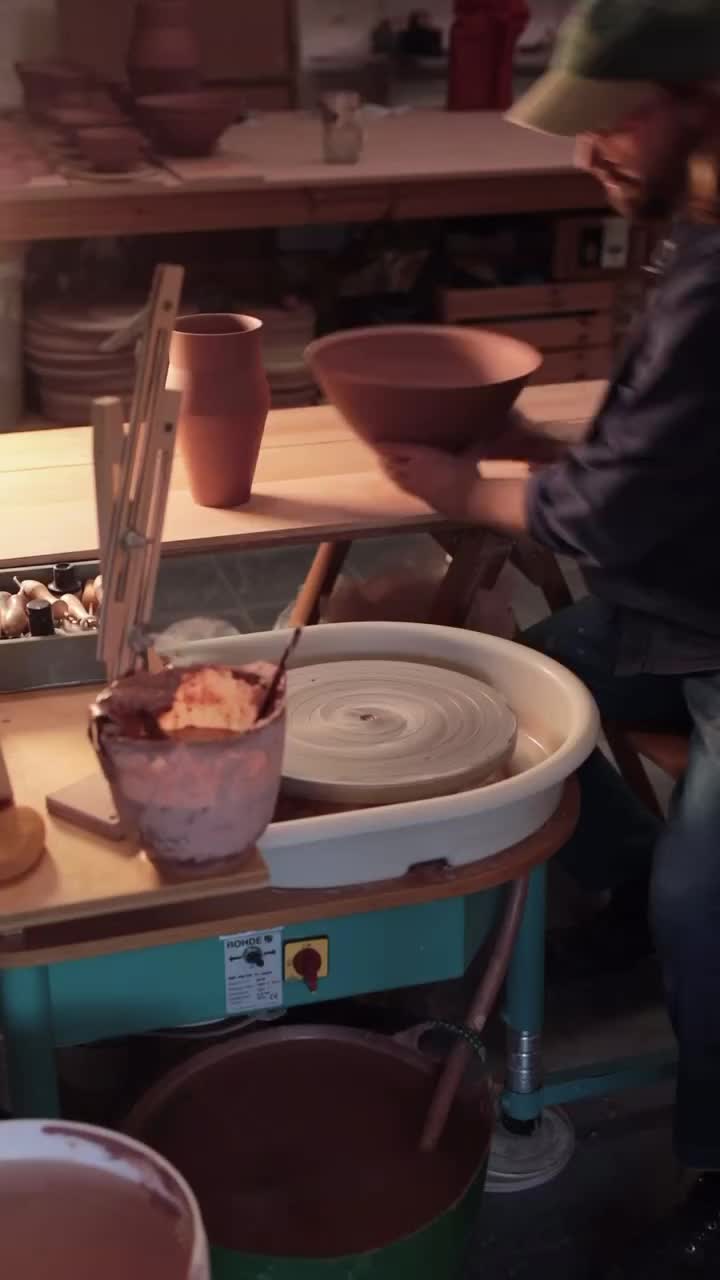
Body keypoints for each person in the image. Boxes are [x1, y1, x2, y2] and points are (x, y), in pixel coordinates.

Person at [380, 1, 720, 1275]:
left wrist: (466, 489)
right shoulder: (700, 236)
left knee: (714, 902)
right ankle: (628, 883)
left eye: (613, 119)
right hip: (695, 594)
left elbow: (623, 505)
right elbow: (675, 454)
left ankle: (717, 1170)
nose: (590, 153)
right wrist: (552, 459)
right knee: (532, 670)